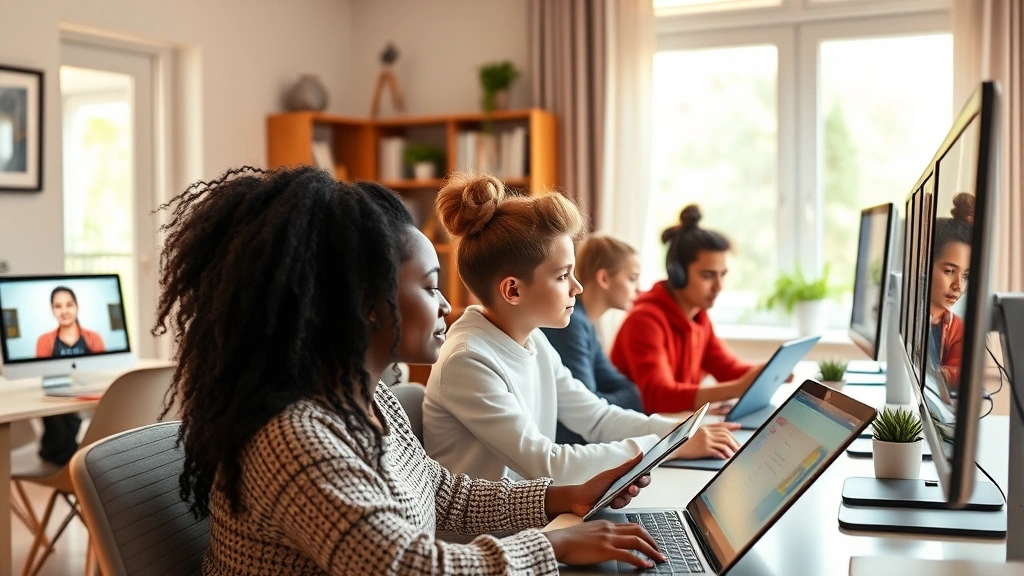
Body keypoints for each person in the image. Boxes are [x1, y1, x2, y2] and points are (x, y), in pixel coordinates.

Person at [153, 166, 667, 574]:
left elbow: (444, 495)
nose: (447, 305)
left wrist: (562, 496)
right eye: (429, 285)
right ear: (367, 302)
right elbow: (404, 566)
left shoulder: (369, 400)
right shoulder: (294, 439)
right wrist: (551, 546)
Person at [423, 174, 740, 486]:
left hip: (535, 519)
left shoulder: (534, 341)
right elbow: (549, 465)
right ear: (513, 291)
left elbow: (597, 418)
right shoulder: (467, 360)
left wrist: (679, 430)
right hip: (493, 536)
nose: (577, 287)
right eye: (562, 276)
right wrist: (668, 447)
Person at [611, 205, 763, 414]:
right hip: (642, 437)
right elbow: (658, 396)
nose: (719, 287)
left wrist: (769, 371)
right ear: (677, 274)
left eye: (722, 275)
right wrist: (736, 389)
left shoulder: (699, 316)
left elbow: (728, 369)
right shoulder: (644, 320)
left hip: (675, 427)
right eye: (708, 275)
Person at [541, 235, 644, 445]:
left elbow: (630, 392)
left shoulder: (586, 324)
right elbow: (584, 408)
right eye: (632, 278)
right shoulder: (570, 326)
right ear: (604, 278)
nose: (639, 288)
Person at [927, 192, 974, 390]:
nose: (958, 286)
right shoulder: (911, 319)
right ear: (925, 265)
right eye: (949, 271)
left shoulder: (956, 328)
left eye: (965, 276)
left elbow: (961, 372)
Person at [34, 286, 105, 358]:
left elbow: (102, 366)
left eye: (69, 305)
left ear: (77, 307)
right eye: (58, 306)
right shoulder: (44, 341)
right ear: (52, 310)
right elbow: (43, 369)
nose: (64, 311)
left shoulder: (94, 338)